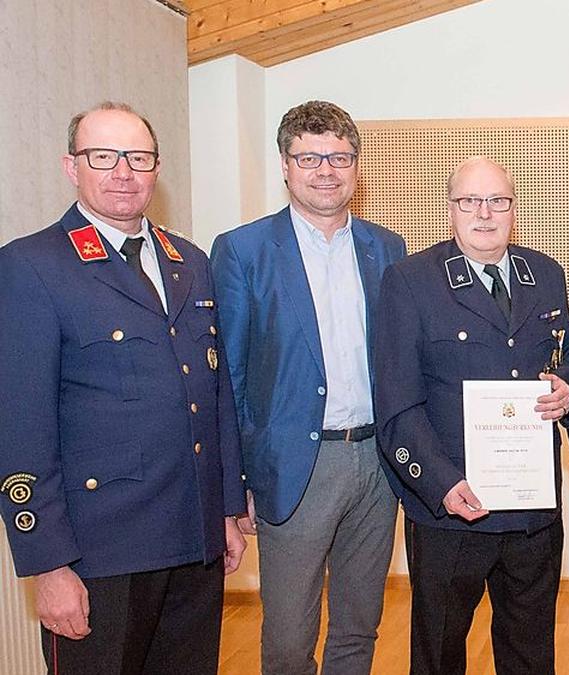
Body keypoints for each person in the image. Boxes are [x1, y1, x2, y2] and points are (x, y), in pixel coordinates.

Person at [0, 102, 246, 674]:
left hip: (192, 541)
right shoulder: (32, 266)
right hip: (98, 554)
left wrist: (227, 510)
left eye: (138, 157)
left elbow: (215, 395)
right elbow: (21, 427)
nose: (123, 172)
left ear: (156, 167)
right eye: (103, 157)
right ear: (71, 166)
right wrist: (49, 564)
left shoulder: (190, 261)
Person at [211, 100, 407, 675]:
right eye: (310, 156)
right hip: (295, 465)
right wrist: (238, 479)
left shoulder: (386, 248)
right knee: (290, 639)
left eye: (340, 157)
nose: (327, 169)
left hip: (376, 463)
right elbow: (232, 378)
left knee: (358, 628)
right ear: (285, 165)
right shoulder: (244, 250)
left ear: (357, 165)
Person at [373, 156, 569, 674]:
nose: (484, 213)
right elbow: (397, 406)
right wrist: (442, 484)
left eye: (498, 201)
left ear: (515, 208)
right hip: (451, 508)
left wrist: (567, 386)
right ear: (450, 208)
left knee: (531, 653)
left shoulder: (546, 274)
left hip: (532, 510)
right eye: (470, 200)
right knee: (439, 653)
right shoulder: (411, 281)